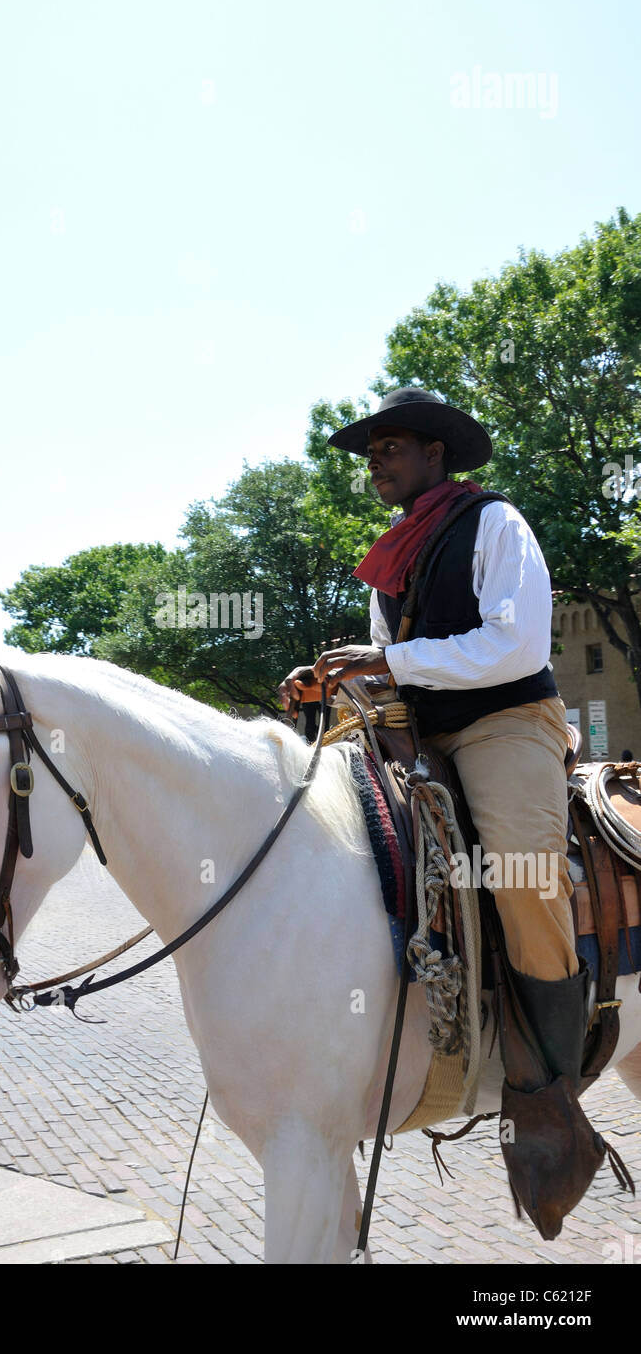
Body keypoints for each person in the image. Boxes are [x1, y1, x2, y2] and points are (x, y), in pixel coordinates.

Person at [278, 386, 603, 1239]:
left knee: (521, 873)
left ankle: (547, 1093)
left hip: (504, 723)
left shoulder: (497, 524)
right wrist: (331, 682)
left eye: (391, 446)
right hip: (416, 733)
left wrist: (386, 658)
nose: (375, 461)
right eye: (371, 450)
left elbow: (514, 644)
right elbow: (393, 670)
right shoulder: (392, 559)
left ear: (434, 454)